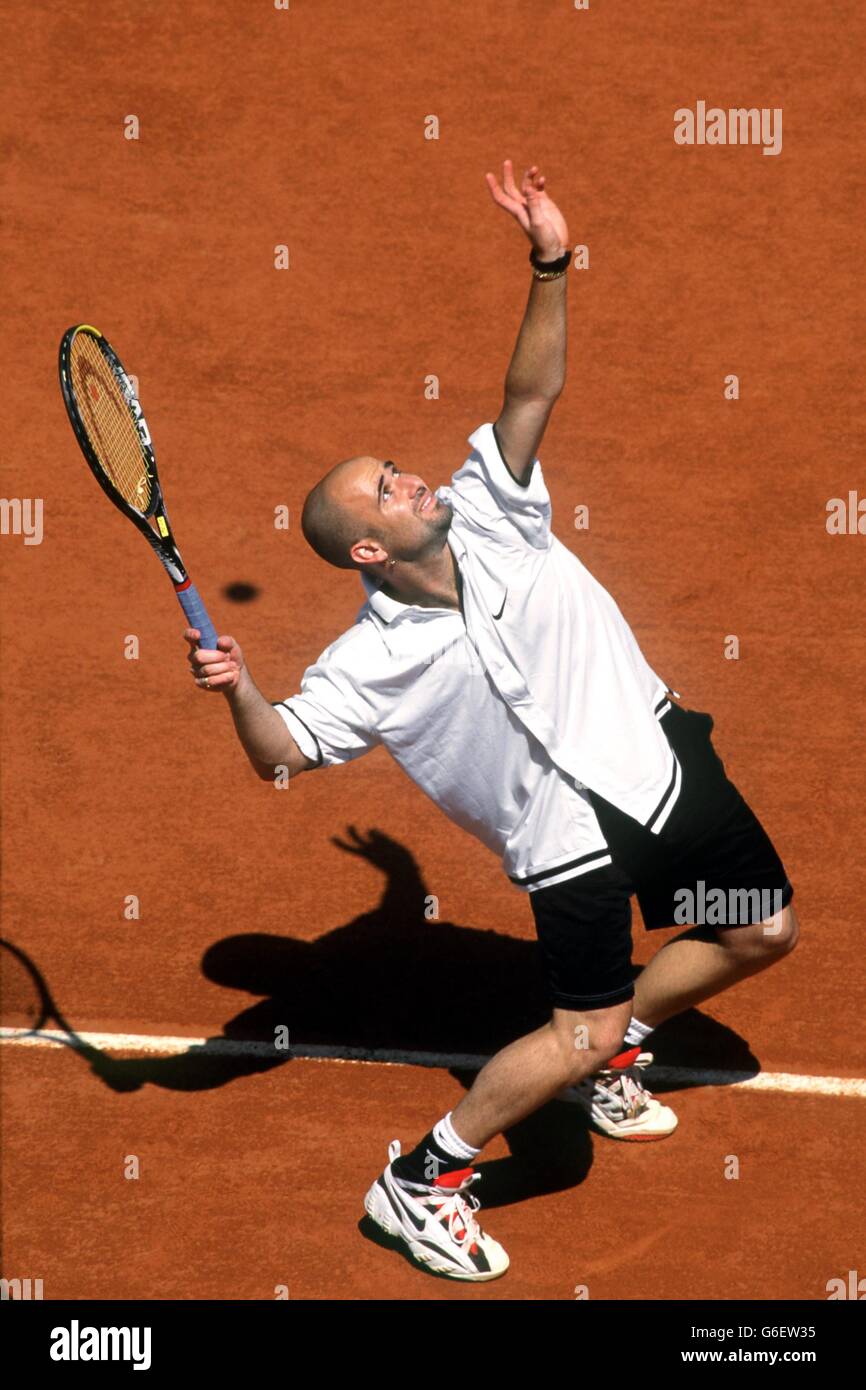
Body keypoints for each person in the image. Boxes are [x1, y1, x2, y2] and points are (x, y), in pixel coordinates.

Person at [185, 161, 798, 1282]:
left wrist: (550, 261)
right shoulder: (364, 664)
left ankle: (616, 1056)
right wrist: (240, 691)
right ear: (367, 548)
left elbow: (527, 395)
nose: (415, 481)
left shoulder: (495, 515)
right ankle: (422, 1177)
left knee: (757, 930)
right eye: (387, 488)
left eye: (401, 471)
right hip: (566, 853)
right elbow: (283, 754)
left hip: (655, 766)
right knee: (574, 1028)